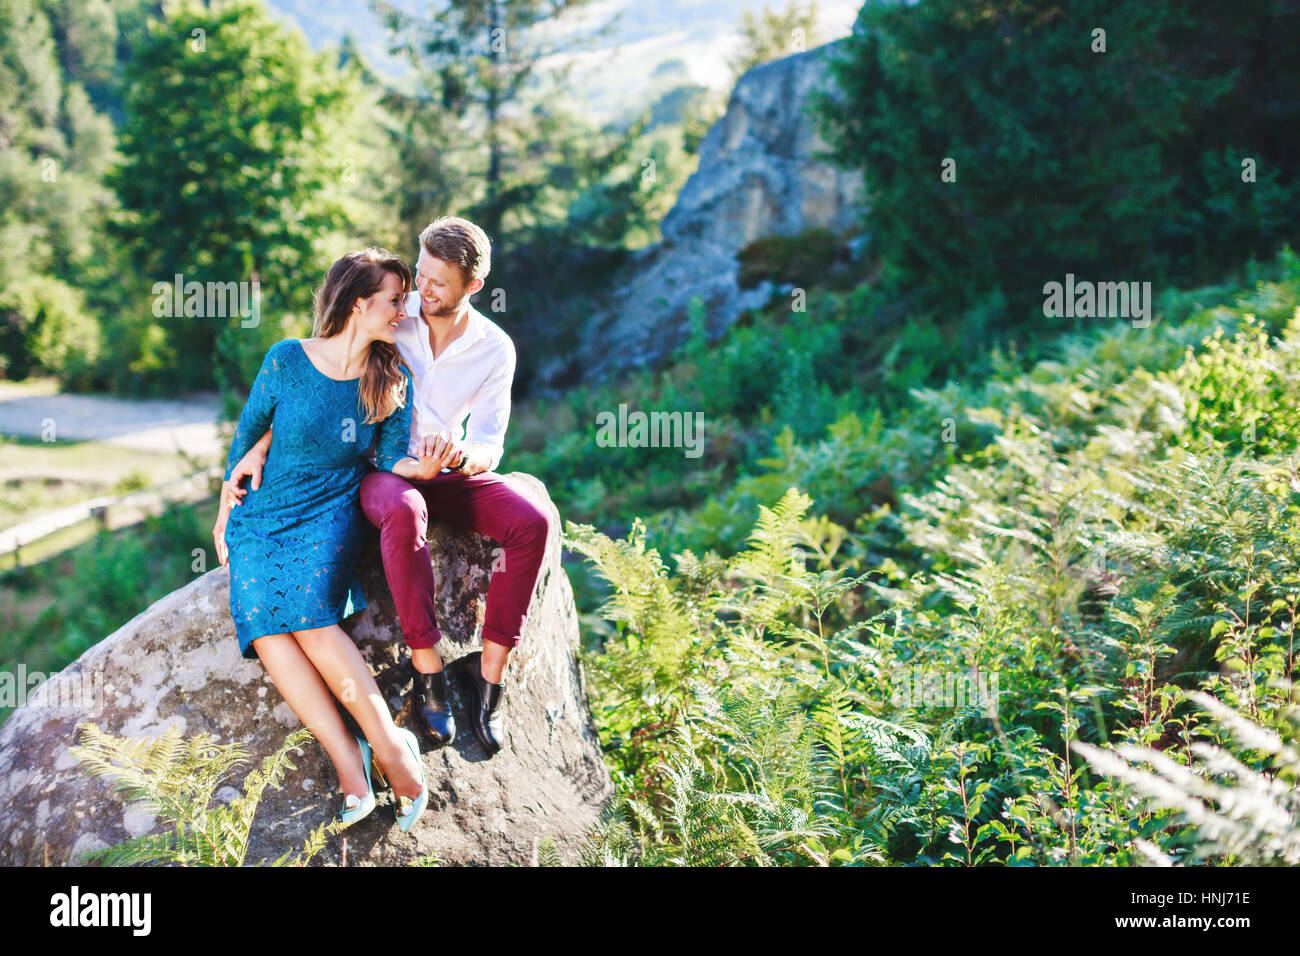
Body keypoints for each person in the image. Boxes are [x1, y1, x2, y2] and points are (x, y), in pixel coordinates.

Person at [224, 218, 554, 756]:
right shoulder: (391, 319)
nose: (421, 292)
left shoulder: (495, 348)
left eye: (437, 284)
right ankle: (430, 673)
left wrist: (467, 457)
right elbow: (319, 376)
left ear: (473, 287)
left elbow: (492, 439)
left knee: (532, 523)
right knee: (403, 513)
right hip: (385, 472)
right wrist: (267, 443)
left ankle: (488, 681)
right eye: (420, 275)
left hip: (450, 471)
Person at [212, 248, 451, 832]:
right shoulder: (287, 358)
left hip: (329, 509)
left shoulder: (391, 376)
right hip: (263, 514)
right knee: (269, 636)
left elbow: (392, 454)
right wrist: (224, 514)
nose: (405, 308)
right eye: (395, 299)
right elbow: (247, 438)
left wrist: (417, 471)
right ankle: (351, 762)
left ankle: (392, 748)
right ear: (358, 303)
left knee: (312, 621)